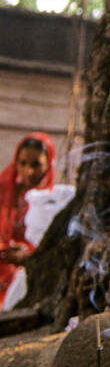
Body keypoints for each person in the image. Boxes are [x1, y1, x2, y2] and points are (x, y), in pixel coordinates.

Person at [0, 131, 55, 310]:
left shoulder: (53, 201)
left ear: (48, 165)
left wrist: (27, 255)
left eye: (36, 165)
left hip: (29, 273)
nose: (28, 171)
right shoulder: (4, 190)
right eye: (22, 163)